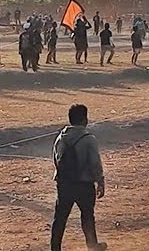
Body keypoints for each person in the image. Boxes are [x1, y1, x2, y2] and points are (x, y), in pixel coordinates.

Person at [51, 104, 107, 251]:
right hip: (84, 183)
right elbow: (95, 163)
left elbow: (56, 160)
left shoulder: (60, 138)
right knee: (87, 216)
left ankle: (55, 247)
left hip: (64, 184)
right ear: (84, 119)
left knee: (60, 218)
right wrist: (100, 181)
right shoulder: (89, 139)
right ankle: (92, 245)